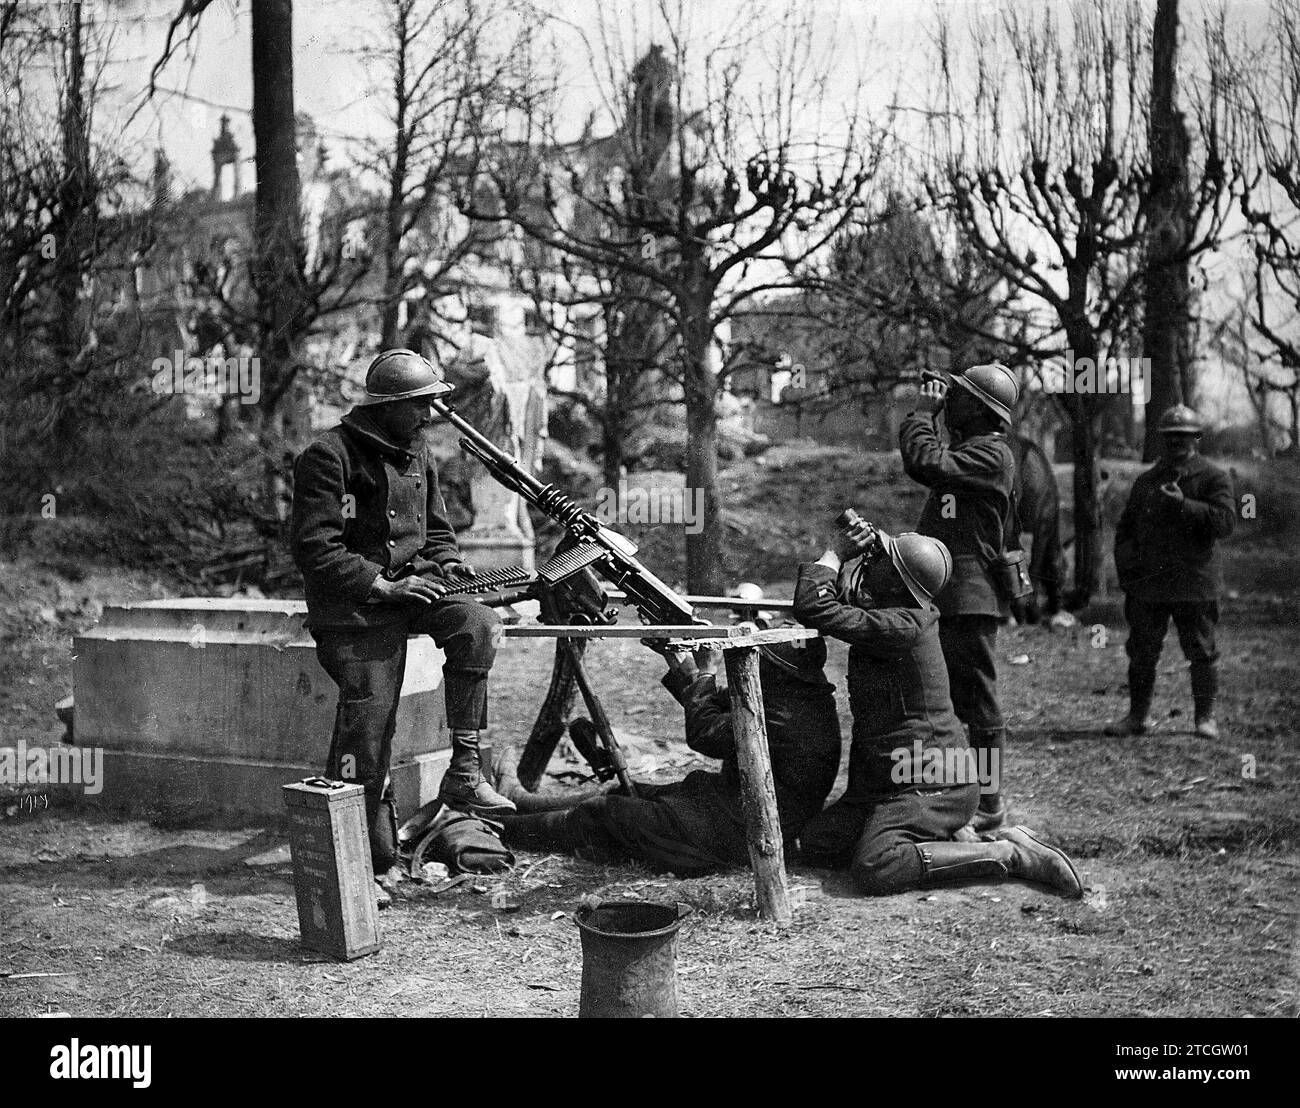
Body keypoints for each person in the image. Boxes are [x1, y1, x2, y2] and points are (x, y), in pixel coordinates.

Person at [290, 348, 514, 901]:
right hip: (357, 608)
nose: (431, 415)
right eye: (419, 405)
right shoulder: (328, 457)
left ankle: (464, 770)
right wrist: (384, 585)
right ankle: (358, 863)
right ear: (387, 406)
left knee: (478, 624)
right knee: (366, 728)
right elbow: (316, 547)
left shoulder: (419, 455)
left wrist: (452, 570)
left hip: (414, 590)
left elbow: (437, 535)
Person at [793, 521, 1082, 899]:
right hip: (891, 780)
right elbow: (833, 603)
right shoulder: (897, 611)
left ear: (898, 583)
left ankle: (1007, 855)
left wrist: (833, 552)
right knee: (817, 844)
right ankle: (952, 835)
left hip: (931, 783)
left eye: (881, 559)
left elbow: (814, 607)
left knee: (876, 865)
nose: (870, 562)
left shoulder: (902, 626)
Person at [498, 638, 842, 875]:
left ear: (778, 669)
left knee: (601, 813)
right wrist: (679, 661)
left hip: (731, 835)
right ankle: (519, 802)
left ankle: (500, 828)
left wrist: (705, 671)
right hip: (728, 810)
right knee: (620, 790)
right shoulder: (800, 698)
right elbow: (717, 704)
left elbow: (705, 732)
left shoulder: (783, 713)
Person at [899, 363, 1019, 832]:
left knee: (979, 703)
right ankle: (954, 794)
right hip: (953, 594)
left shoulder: (992, 454)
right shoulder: (979, 452)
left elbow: (925, 461)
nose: (950, 402)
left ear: (981, 409)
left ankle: (989, 802)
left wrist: (923, 412)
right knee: (942, 700)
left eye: (959, 396)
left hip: (969, 596)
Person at [1107, 404, 1235, 739]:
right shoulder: (1147, 480)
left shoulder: (1213, 477)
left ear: (1197, 438)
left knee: (1202, 652)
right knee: (1141, 651)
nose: (1176, 443)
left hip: (1195, 583)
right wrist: (1128, 572)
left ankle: (1204, 719)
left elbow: (1225, 523)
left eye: (1183, 437)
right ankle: (1136, 717)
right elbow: (1126, 529)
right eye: (1169, 437)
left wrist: (1184, 505)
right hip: (1150, 585)